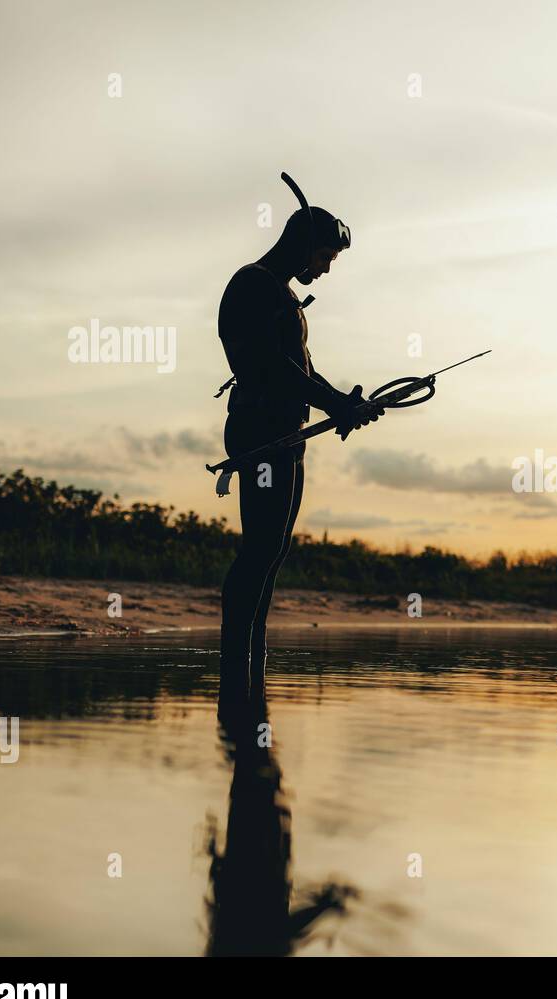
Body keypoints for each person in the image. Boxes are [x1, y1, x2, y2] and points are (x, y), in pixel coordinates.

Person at [216, 199, 383, 724]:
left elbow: (301, 369)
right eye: (327, 255)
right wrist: (334, 403)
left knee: (273, 552)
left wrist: (342, 402)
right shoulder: (252, 284)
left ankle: (250, 681)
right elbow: (273, 368)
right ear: (303, 244)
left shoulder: (283, 295)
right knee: (259, 550)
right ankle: (234, 677)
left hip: (288, 434)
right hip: (262, 432)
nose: (328, 267)